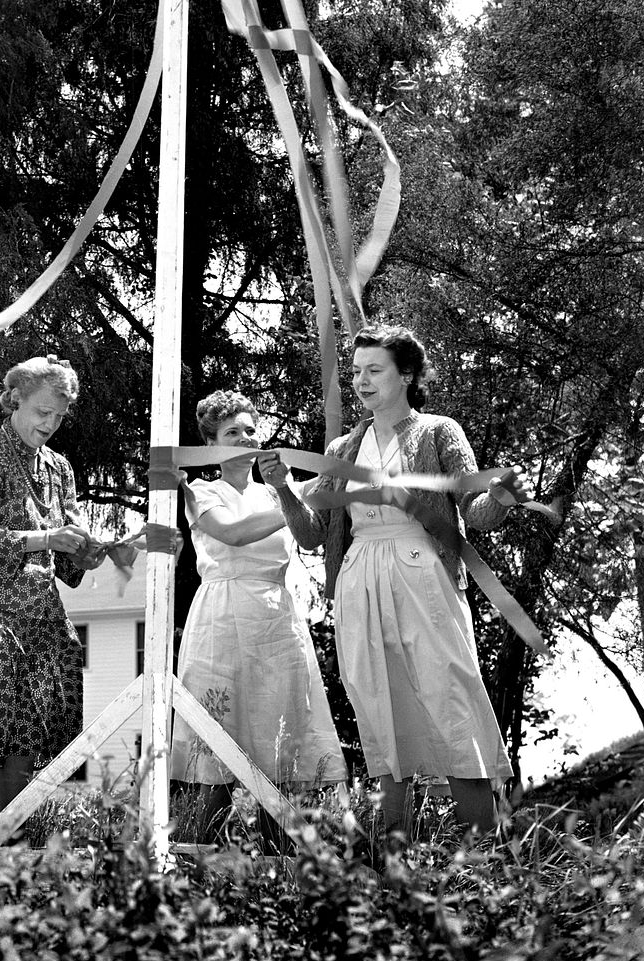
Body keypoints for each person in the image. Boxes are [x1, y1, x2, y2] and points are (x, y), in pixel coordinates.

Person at [263, 324, 531, 838]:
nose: (361, 381)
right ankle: (394, 853)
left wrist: (500, 496)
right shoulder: (343, 446)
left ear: (406, 374)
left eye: (374, 370)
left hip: (423, 571)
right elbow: (313, 535)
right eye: (355, 371)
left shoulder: (438, 431)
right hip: (359, 577)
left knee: (450, 695)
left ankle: (483, 853)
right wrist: (284, 490)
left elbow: (475, 514)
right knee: (375, 701)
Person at [169, 390, 348, 848]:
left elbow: (317, 516)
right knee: (217, 748)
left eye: (251, 430)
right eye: (232, 432)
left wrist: (296, 487)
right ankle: (198, 858)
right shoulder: (200, 491)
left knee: (280, 748)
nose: (246, 438)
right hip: (222, 617)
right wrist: (292, 501)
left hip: (276, 619)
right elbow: (232, 533)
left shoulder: (275, 490)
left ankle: (279, 859)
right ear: (211, 444)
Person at [0, 355, 105, 840]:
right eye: (42, 412)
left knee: (26, 737)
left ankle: (11, 846)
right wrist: (48, 538)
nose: (50, 424)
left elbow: (67, 565)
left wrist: (89, 553)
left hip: (38, 614)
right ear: (15, 400)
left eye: (59, 416)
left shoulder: (60, 468)